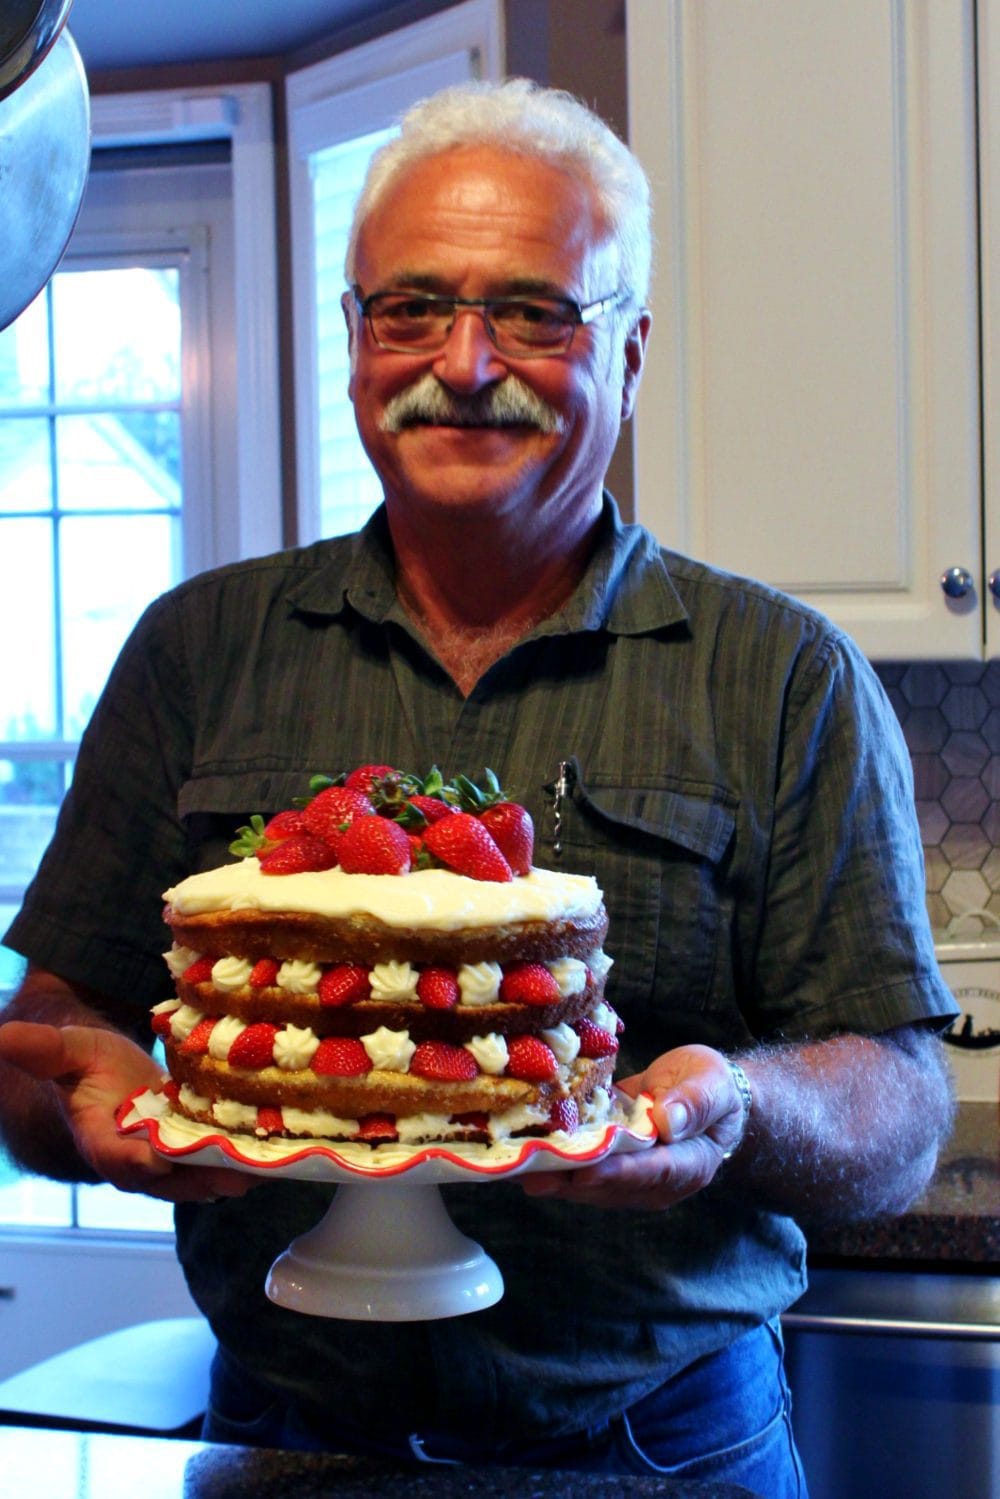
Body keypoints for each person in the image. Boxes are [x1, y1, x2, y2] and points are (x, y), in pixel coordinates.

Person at [0, 79, 956, 1495]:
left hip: (663, 1458)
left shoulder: (783, 675)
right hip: (284, 1444)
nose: (464, 360)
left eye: (535, 312)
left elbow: (899, 1106)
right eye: (411, 309)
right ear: (352, 344)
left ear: (630, 351)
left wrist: (737, 1108)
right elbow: (53, 1038)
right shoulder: (198, 649)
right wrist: (75, 1102)